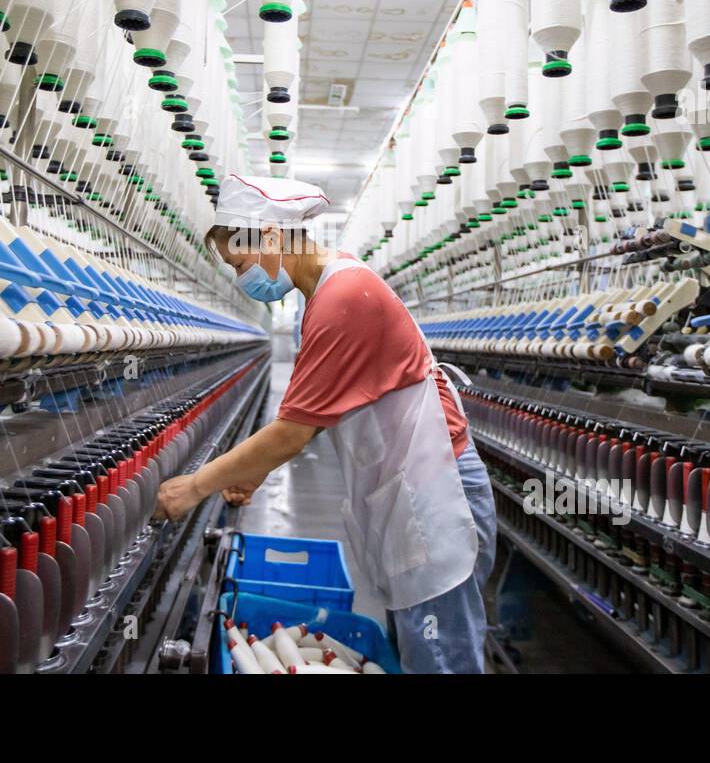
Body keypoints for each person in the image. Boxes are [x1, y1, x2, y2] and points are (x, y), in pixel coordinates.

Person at [156, 173, 498, 674]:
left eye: (239, 262)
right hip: (415, 487)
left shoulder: (343, 298)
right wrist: (255, 471)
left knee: (441, 657)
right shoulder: (330, 291)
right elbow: (316, 412)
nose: (241, 277)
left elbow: (293, 431)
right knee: (421, 650)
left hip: (436, 494)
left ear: (270, 237)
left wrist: (195, 486)